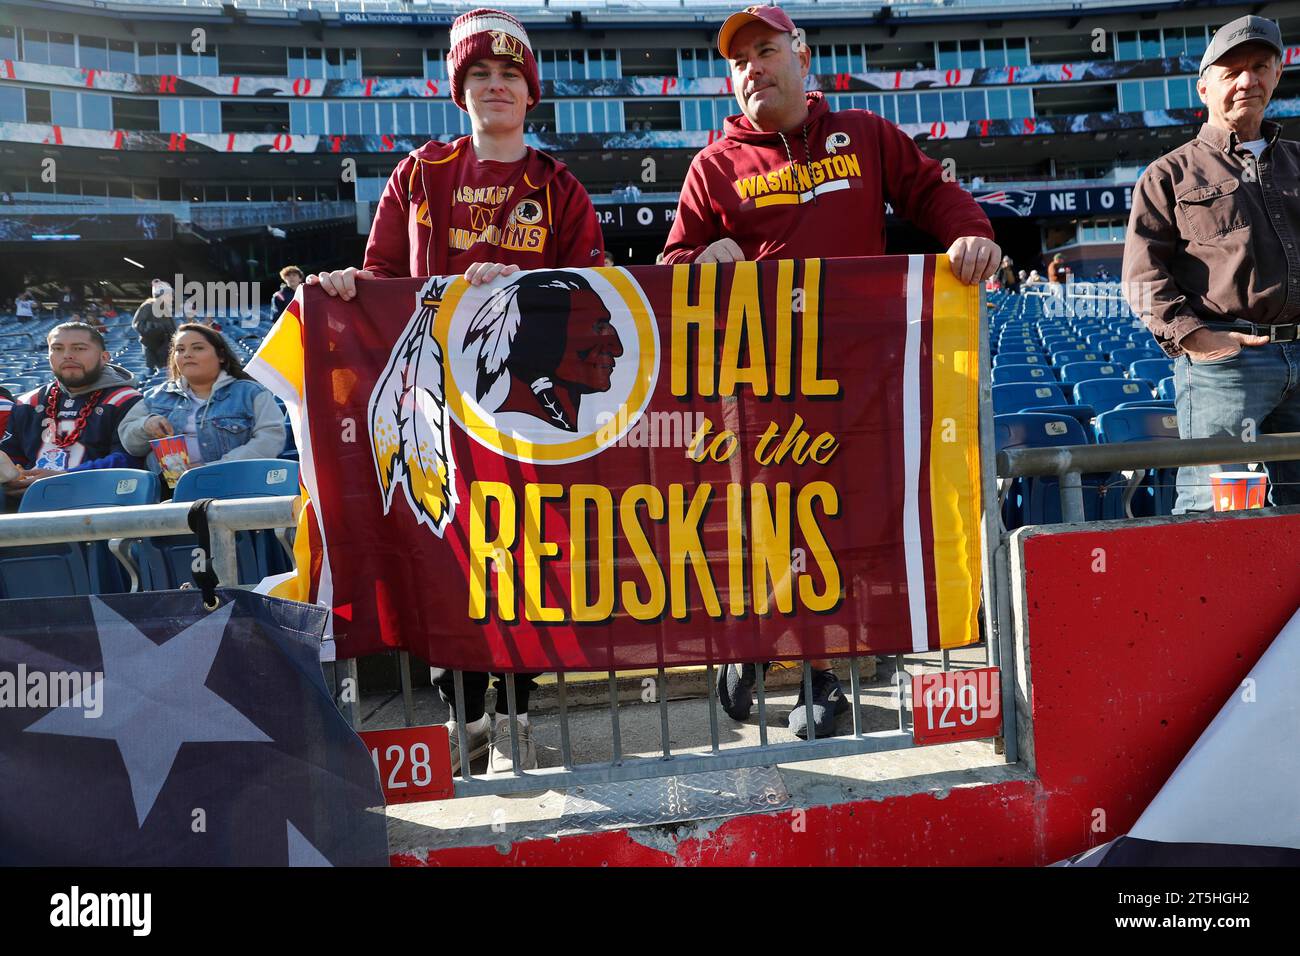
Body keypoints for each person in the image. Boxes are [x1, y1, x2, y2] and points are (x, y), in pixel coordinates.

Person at [664, 3, 1000, 739]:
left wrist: (971, 233)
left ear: (802, 54)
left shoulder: (866, 136)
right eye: (739, 59)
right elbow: (672, 265)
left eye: (765, 49)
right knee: (768, 527)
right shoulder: (713, 166)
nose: (752, 66)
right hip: (756, 382)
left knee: (834, 530)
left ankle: (819, 679)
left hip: (855, 376)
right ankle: (755, 637)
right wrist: (702, 256)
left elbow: (932, 195)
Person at [308, 7, 606, 775]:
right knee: (448, 563)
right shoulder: (419, 174)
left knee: (528, 559)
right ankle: (463, 717)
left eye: (510, 74)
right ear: (459, 88)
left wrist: (524, 285)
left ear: (530, 92)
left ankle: (516, 714)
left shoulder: (557, 183)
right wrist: (347, 284)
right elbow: (378, 277)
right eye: (480, 73)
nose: (496, 86)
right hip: (437, 407)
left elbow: (597, 287)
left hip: (525, 412)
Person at [1123, 14, 1298, 513]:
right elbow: (1141, 280)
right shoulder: (1167, 175)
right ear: (1204, 88)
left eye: (1260, 67)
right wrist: (1198, 340)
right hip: (1229, 366)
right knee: (1217, 512)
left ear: (1278, 74)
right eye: (1231, 72)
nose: (1248, 81)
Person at [118, 324, 285, 476]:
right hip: (170, 494)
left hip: (237, 484)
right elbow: (130, 443)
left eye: (197, 348)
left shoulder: (251, 393)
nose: (187, 354)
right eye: (180, 350)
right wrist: (145, 426)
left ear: (221, 356)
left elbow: (270, 438)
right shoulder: (154, 397)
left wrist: (214, 468)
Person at [1, 322, 142, 500]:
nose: (67, 355)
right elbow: (11, 456)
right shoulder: (27, 402)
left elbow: (129, 460)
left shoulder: (126, 400)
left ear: (105, 357)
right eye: (57, 348)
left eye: (79, 348)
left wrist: (67, 476)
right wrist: (13, 476)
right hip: (28, 501)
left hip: (98, 502)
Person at [133, 279, 179, 374]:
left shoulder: (165, 308)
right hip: (154, 350)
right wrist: (158, 330)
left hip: (166, 348)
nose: (172, 298)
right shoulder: (148, 306)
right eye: (170, 295)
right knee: (160, 375)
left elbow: (171, 328)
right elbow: (138, 325)